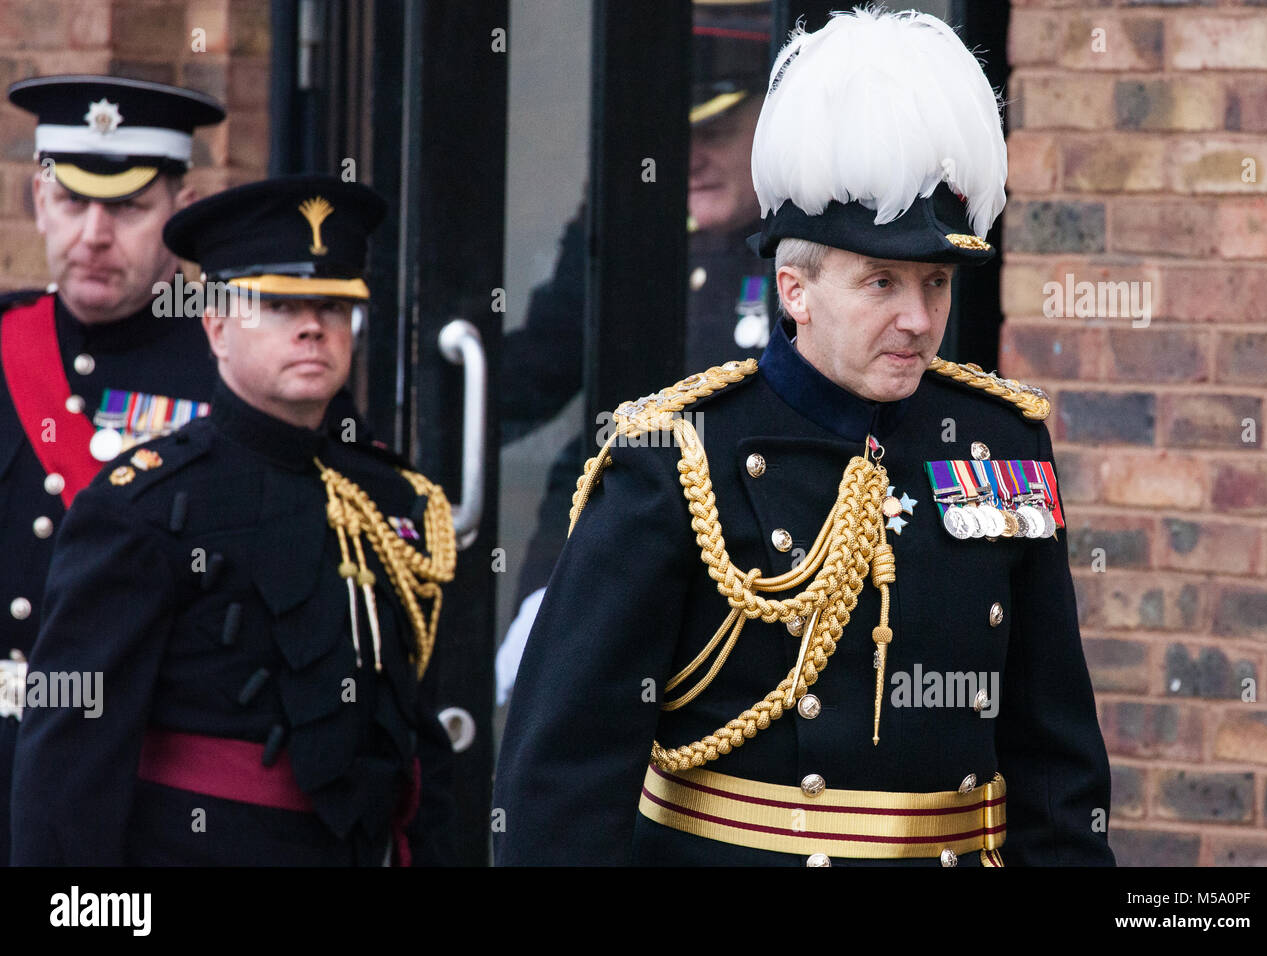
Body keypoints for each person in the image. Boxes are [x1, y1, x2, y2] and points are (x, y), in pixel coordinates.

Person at [494, 8, 1115, 866]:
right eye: (881, 282)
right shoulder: (674, 459)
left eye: (935, 283)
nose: (917, 319)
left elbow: (1056, 762)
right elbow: (563, 779)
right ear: (795, 289)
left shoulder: (999, 442)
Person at [10, 175, 458, 866]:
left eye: (333, 308)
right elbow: (71, 762)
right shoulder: (141, 508)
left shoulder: (393, 503)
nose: (313, 326)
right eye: (279, 305)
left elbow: (417, 751)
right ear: (215, 324)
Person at [496, 1, 775, 704]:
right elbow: (545, 365)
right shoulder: (626, 222)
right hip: (595, 534)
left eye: (715, 129)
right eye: (679, 135)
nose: (693, 157)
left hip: (748, 562)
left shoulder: (802, 252)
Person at [0, 74, 225, 865]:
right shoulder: (3, 345)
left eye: (127, 207)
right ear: (37, 198)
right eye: (71, 201)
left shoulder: (229, 374)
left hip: (140, 785)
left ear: (182, 209)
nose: (94, 233)